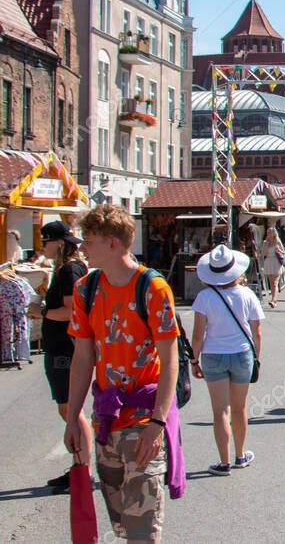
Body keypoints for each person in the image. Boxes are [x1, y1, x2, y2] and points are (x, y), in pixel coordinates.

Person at [65, 204, 183, 541]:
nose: (82, 247)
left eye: (89, 240)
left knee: (142, 529)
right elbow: (82, 357)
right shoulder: (85, 289)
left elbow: (170, 358)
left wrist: (158, 423)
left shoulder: (152, 287)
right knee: (121, 523)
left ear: (113, 243)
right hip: (106, 419)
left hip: (143, 420)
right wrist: (73, 417)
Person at [190, 244, 264, 475]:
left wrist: (194, 360)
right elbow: (257, 331)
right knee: (240, 408)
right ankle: (240, 455)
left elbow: (197, 334)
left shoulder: (204, 297)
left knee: (220, 410)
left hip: (213, 354)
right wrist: (257, 358)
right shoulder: (247, 294)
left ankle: (223, 462)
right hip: (242, 353)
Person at [26, 221, 89, 493]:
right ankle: (79, 465)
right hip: (63, 346)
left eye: (46, 241)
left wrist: (40, 312)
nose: (43, 246)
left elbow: (71, 311)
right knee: (68, 408)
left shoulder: (69, 270)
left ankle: (82, 467)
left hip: (65, 347)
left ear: (59, 242)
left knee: (71, 410)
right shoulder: (68, 268)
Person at [0, 266, 34, 365]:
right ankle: (14, 354)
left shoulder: (10, 283)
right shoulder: (17, 283)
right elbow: (26, 298)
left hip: (8, 314)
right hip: (16, 314)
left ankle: (8, 354)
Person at [260, 227, 285, 308]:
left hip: (276, 262)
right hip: (268, 262)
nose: (268, 234)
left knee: (275, 283)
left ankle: (273, 300)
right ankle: (274, 299)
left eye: (270, 232)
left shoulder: (277, 241)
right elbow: (263, 254)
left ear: (274, 233)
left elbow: (283, 252)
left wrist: (278, 249)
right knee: (271, 283)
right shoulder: (265, 242)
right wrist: (266, 245)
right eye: (268, 232)